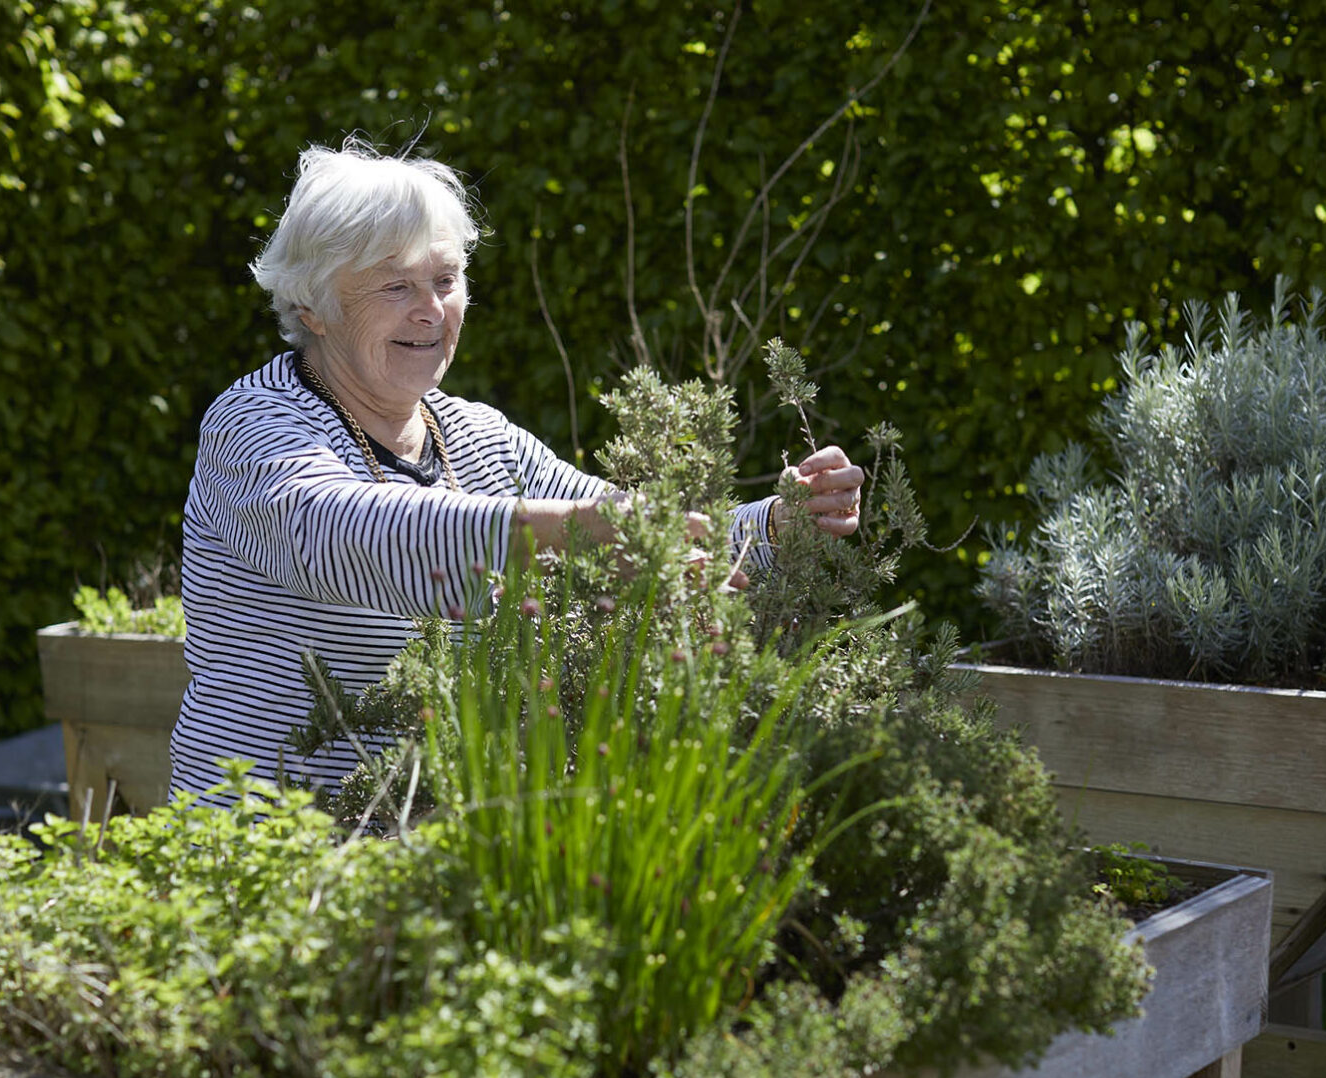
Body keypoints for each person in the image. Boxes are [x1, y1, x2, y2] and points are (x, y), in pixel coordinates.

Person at [169, 140, 865, 802]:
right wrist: (557, 532)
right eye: (394, 287)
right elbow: (338, 533)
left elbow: (621, 522)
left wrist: (774, 521)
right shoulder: (254, 423)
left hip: (435, 826)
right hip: (267, 837)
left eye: (445, 280)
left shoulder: (475, 434)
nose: (431, 310)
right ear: (312, 308)